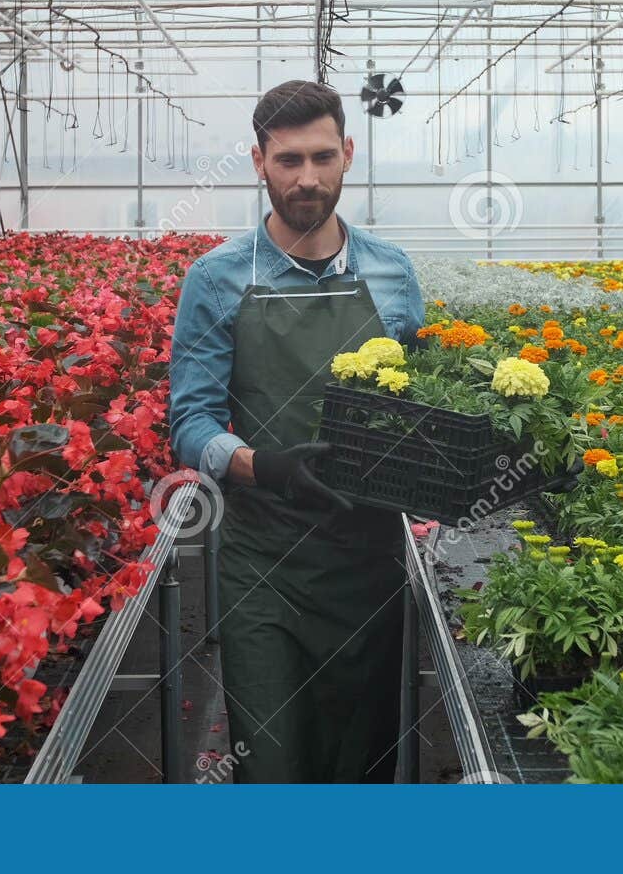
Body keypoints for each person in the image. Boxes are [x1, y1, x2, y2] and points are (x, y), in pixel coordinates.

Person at [168, 79, 424, 782]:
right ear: (259, 163)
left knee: (363, 761)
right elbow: (188, 422)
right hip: (264, 563)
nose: (306, 179)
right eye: (287, 161)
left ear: (347, 154)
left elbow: (424, 402)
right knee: (273, 763)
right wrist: (265, 467)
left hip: (369, 558)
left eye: (320, 157)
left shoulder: (392, 275)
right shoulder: (218, 278)